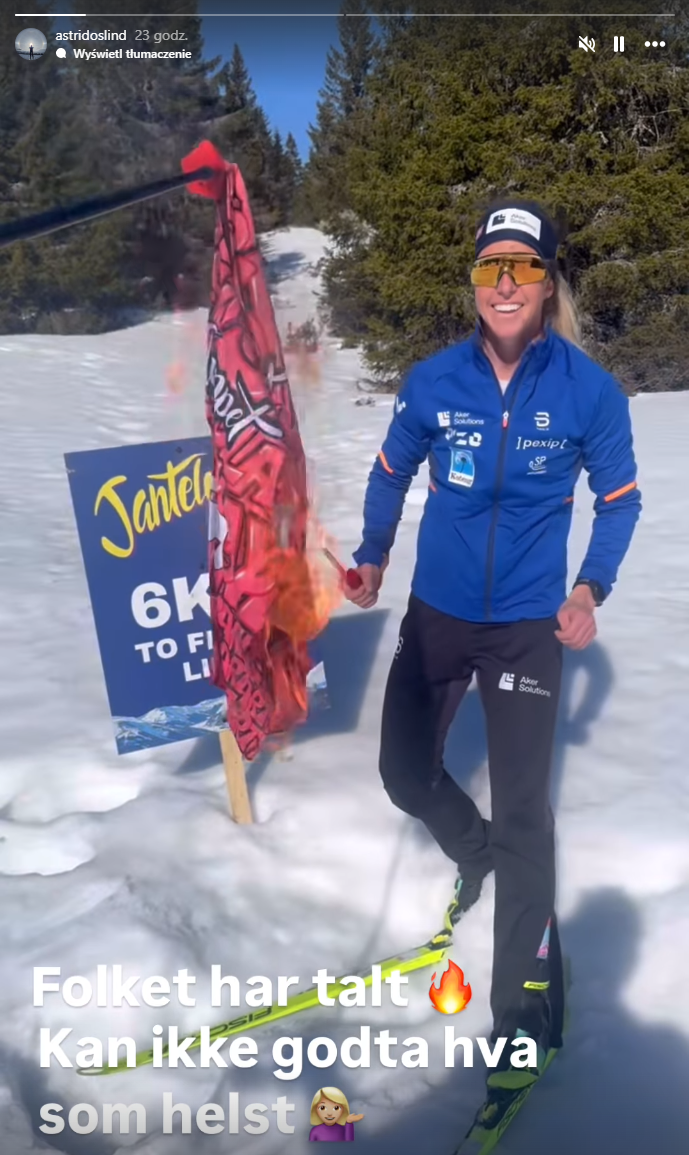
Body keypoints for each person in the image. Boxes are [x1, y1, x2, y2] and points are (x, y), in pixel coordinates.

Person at [345, 198, 641, 1088]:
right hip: (436, 614)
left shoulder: (587, 391)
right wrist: (370, 554)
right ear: (472, 282)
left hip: (523, 630)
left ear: (548, 283)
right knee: (404, 773)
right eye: (487, 268)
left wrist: (590, 586)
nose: (503, 284)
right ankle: (472, 859)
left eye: (520, 267)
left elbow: (620, 500)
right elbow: (390, 471)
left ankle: (522, 1009)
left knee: (524, 815)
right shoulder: (433, 380)